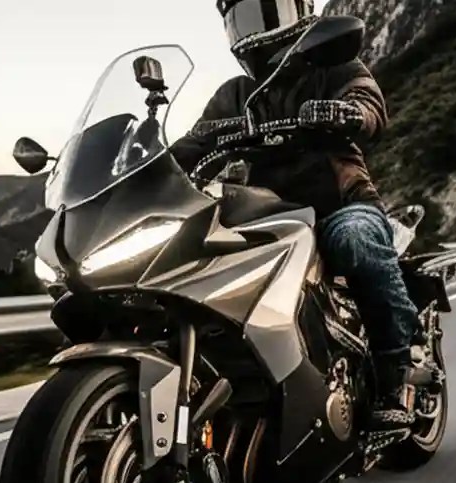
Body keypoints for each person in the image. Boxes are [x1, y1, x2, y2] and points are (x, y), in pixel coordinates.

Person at [170, 0, 425, 439]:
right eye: (244, 17)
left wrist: (347, 113)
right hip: (267, 217)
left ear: (301, 11)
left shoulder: (335, 68)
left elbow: (369, 105)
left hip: (339, 206)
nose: (256, 29)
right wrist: (151, 167)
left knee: (356, 240)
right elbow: (193, 144)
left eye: (270, 10)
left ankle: (396, 370)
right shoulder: (235, 94)